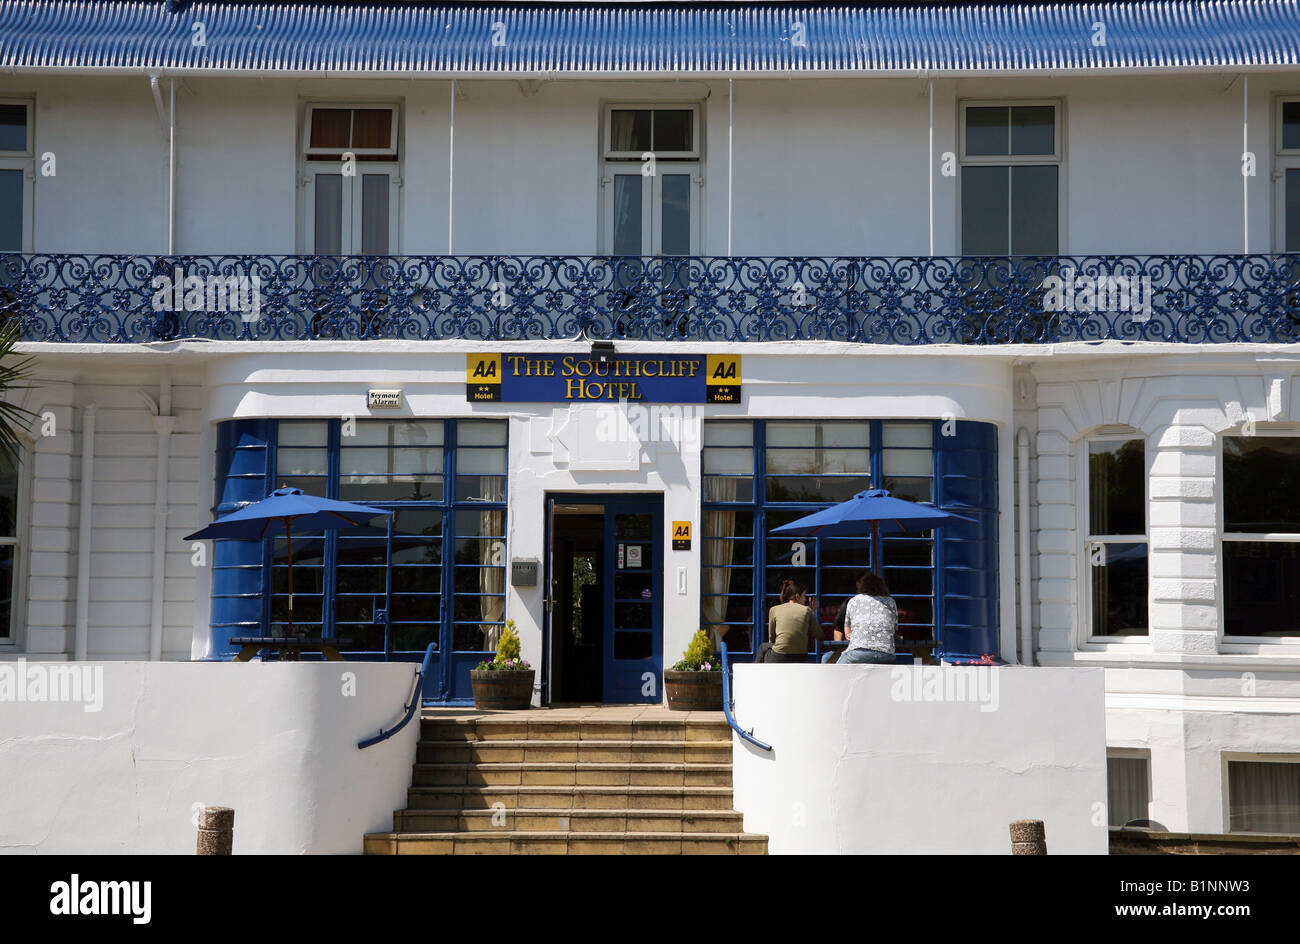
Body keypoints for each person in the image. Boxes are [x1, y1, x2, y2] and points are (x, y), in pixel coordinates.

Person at [841, 571, 898, 664]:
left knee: (837, 669)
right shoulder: (891, 601)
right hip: (886, 654)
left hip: (859, 653)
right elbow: (894, 628)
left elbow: (847, 634)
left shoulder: (854, 601)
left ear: (862, 586)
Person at [763, 579, 820, 663]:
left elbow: (771, 638)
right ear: (797, 597)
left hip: (780, 655)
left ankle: (757, 674)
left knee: (763, 647)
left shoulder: (775, 609)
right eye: (804, 596)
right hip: (801, 656)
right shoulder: (806, 611)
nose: (805, 600)